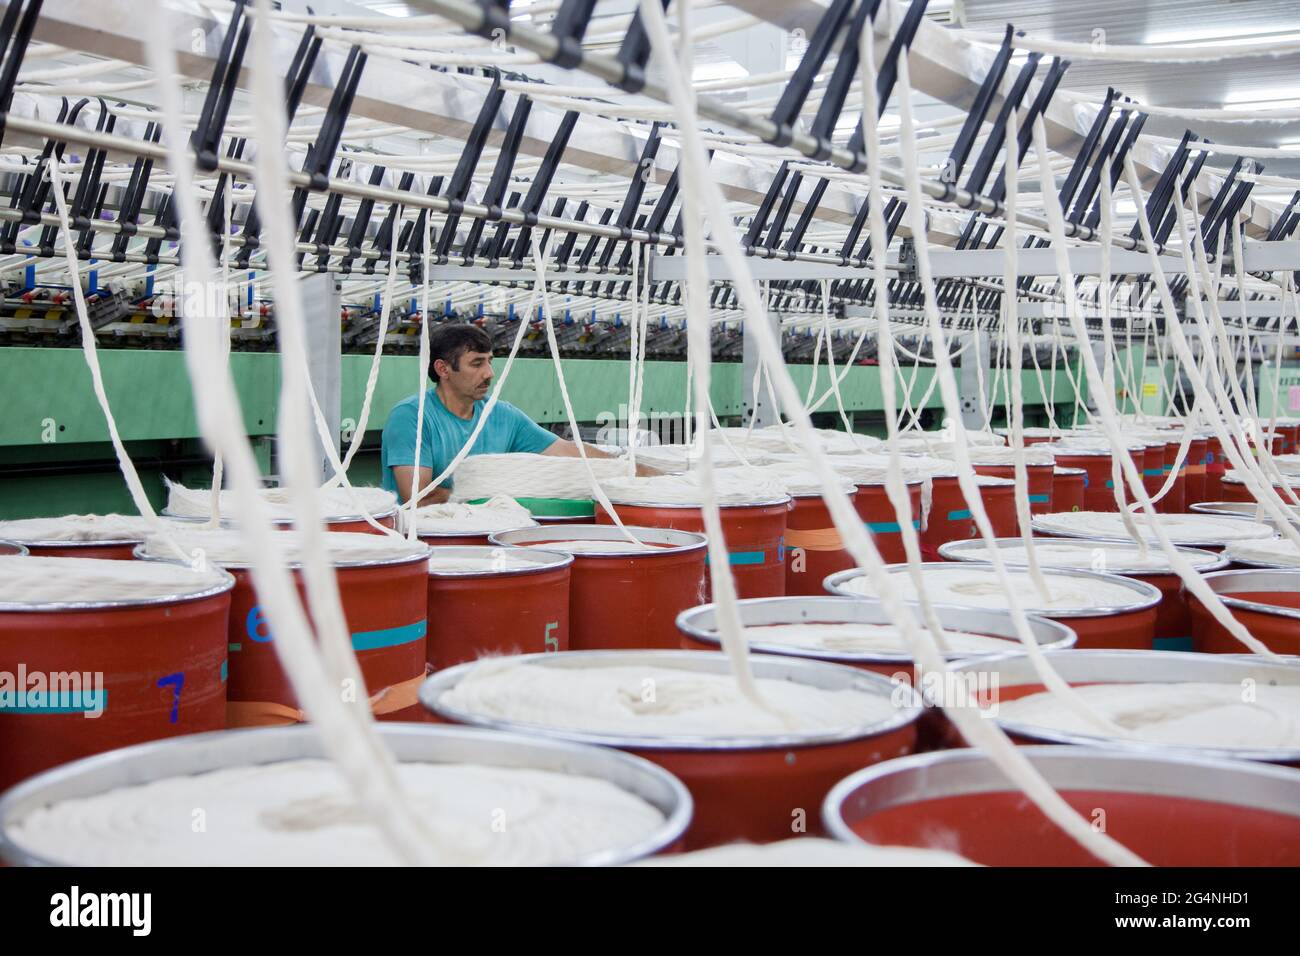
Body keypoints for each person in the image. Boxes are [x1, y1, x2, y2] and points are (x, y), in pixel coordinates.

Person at [381, 324, 651, 504]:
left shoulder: (501, 415)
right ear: (443, 369)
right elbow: (417, 497)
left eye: (489, 362)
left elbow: (568, 450)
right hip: (425, 539)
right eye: (476, 364)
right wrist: (488, 492)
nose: (489, 373)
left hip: (485, 528)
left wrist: (632, 469)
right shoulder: (412, 417)